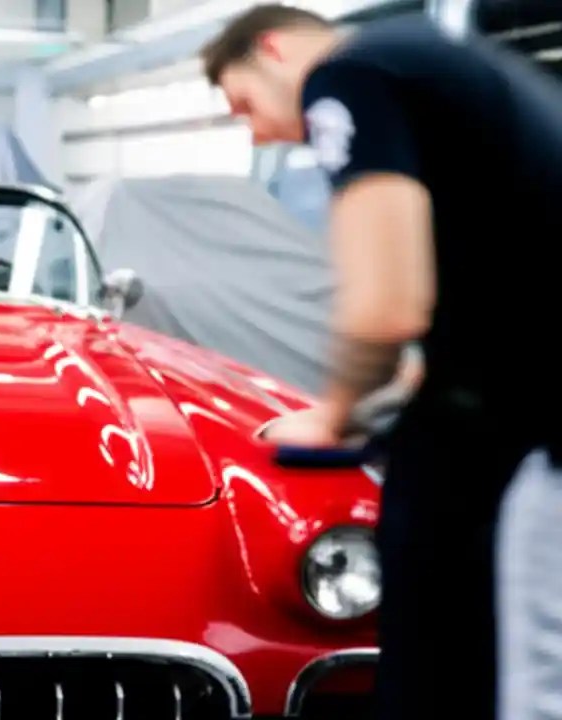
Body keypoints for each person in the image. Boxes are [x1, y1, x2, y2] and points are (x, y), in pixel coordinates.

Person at [198, 6, 562, 720]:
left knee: (496, 684)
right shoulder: (441, 63)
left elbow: (386, 306)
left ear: (272, 47)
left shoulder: (351, 73)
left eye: (244, 104)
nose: (262, 132)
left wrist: (333, 418)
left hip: (527, 445)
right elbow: (486, 295)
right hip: (515, 407)